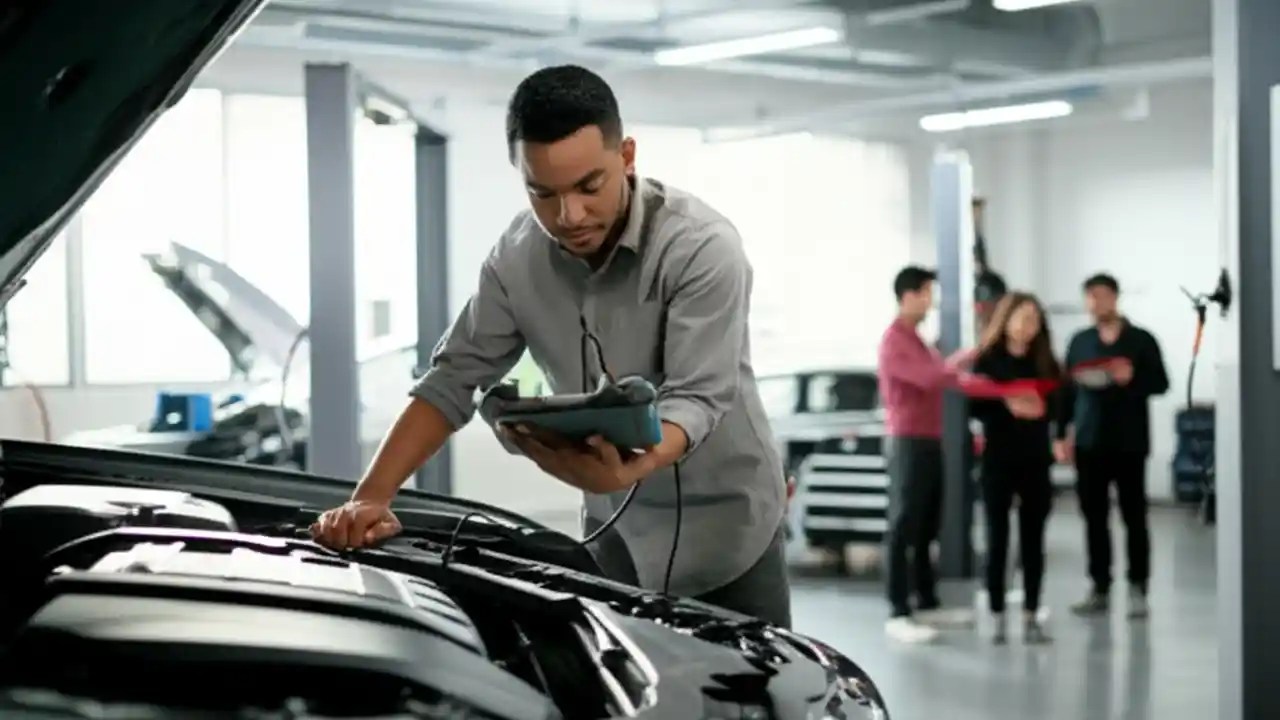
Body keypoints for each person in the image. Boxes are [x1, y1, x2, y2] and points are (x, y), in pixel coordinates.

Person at [310, 65, 792, 628]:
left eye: (590, 186)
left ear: (628, 155)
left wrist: (625, 472)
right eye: (543, 192)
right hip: (616, 536)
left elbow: (698, 398)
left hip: (728, 530)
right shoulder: (515, 258)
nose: (569, 216)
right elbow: (452, 380)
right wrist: (370, 498)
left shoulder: (701, 247)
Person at [1056, 273, 1169, 619]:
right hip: (1090, 442)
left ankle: (1138, 587)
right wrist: (1061, 435)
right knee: (1094, 518)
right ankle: (1099, 587)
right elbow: (1066, 392)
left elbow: (1161, 383)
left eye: (1102, 295)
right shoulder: (1080, 341)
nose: (1096, 302)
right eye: (1090, 296)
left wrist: (1131, 378)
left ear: (1115, 298)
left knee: (1134, 516)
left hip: (1130, 442)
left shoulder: (1141, 340)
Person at [876, 266, 977, 644]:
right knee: (904, 525)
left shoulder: (918, 341)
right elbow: (932, 378)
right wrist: (964, 358)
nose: (930, 300)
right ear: (908, 295)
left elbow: (940, 375)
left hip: (929, 439)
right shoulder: (894, 340)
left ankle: (927, 601)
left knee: (926, 524)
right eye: (925, 293)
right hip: (907, 441)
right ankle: (898, 610)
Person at [969, 292, 1060, 645]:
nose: (1027, 326)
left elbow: (1059, 404)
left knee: (1033, 539)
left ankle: (1031, 612)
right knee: (997, 537)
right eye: (1021, 318)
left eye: (1034, 319)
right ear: (1005, 320)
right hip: (998, 460)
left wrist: (1041, 410)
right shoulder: (987, 360)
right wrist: (1008, 406)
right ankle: (995, 611)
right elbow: (974, 408)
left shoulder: (1046, 361)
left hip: (1035, 459)